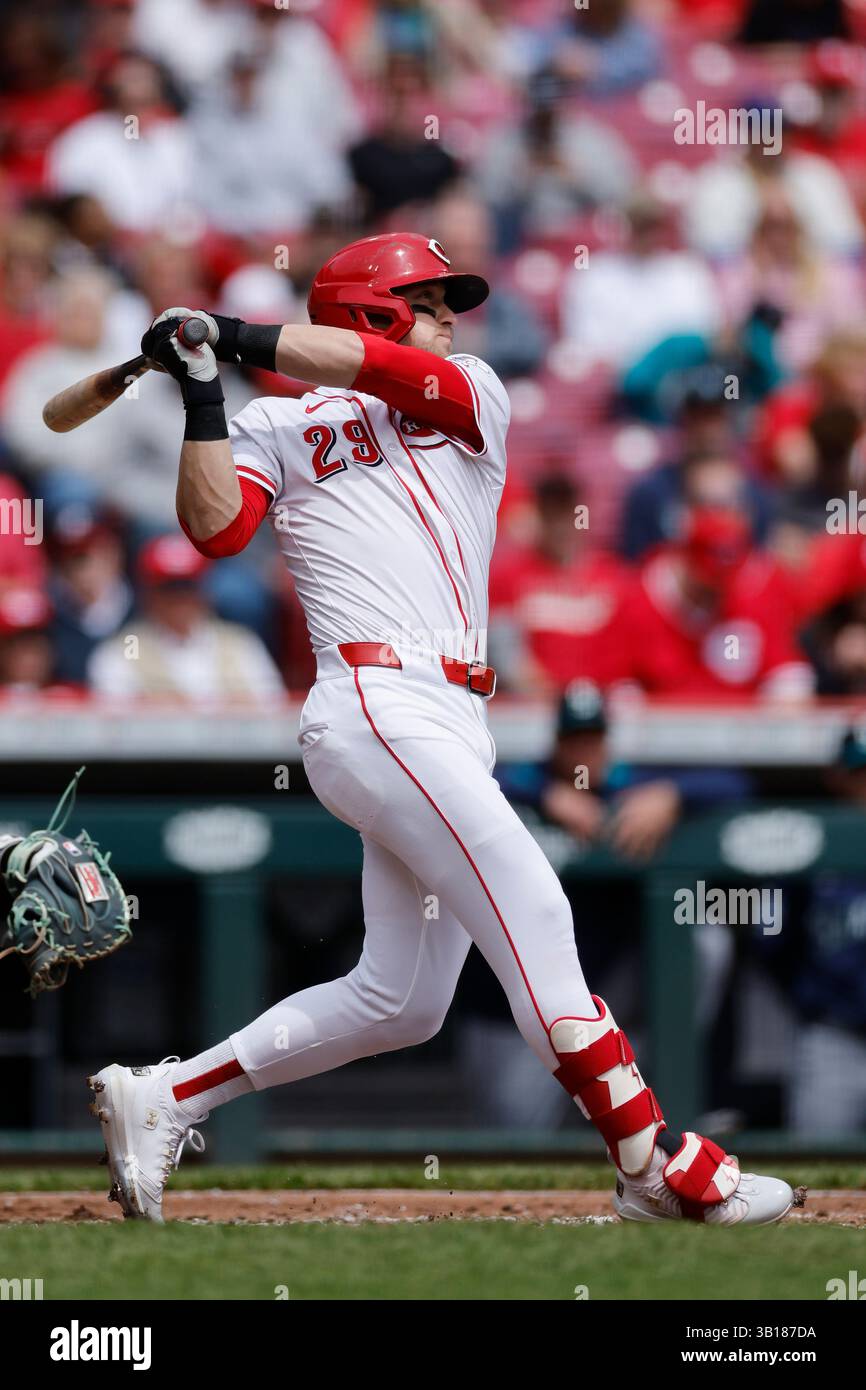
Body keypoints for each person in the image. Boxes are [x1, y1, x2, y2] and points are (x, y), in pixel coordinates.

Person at [87, 231, 795, 1226]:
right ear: (373, 303)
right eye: (425, 298)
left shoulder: (468, 391)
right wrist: (204, 388)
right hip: (374, 698)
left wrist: (233, 331)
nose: (447, 315)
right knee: (537, 914)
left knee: (401, 998)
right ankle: (653, 1160)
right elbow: (213, 530)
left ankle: (162, 1098)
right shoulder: (275, 423)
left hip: (453, 714)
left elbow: (377, 365)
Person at [87, 533, 284, 703]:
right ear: (149, 593)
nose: (181, 599)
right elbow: (114, 723)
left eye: (187, 586)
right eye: (169, 588)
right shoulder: (125, 649)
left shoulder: (240, 644)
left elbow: (273, 710)